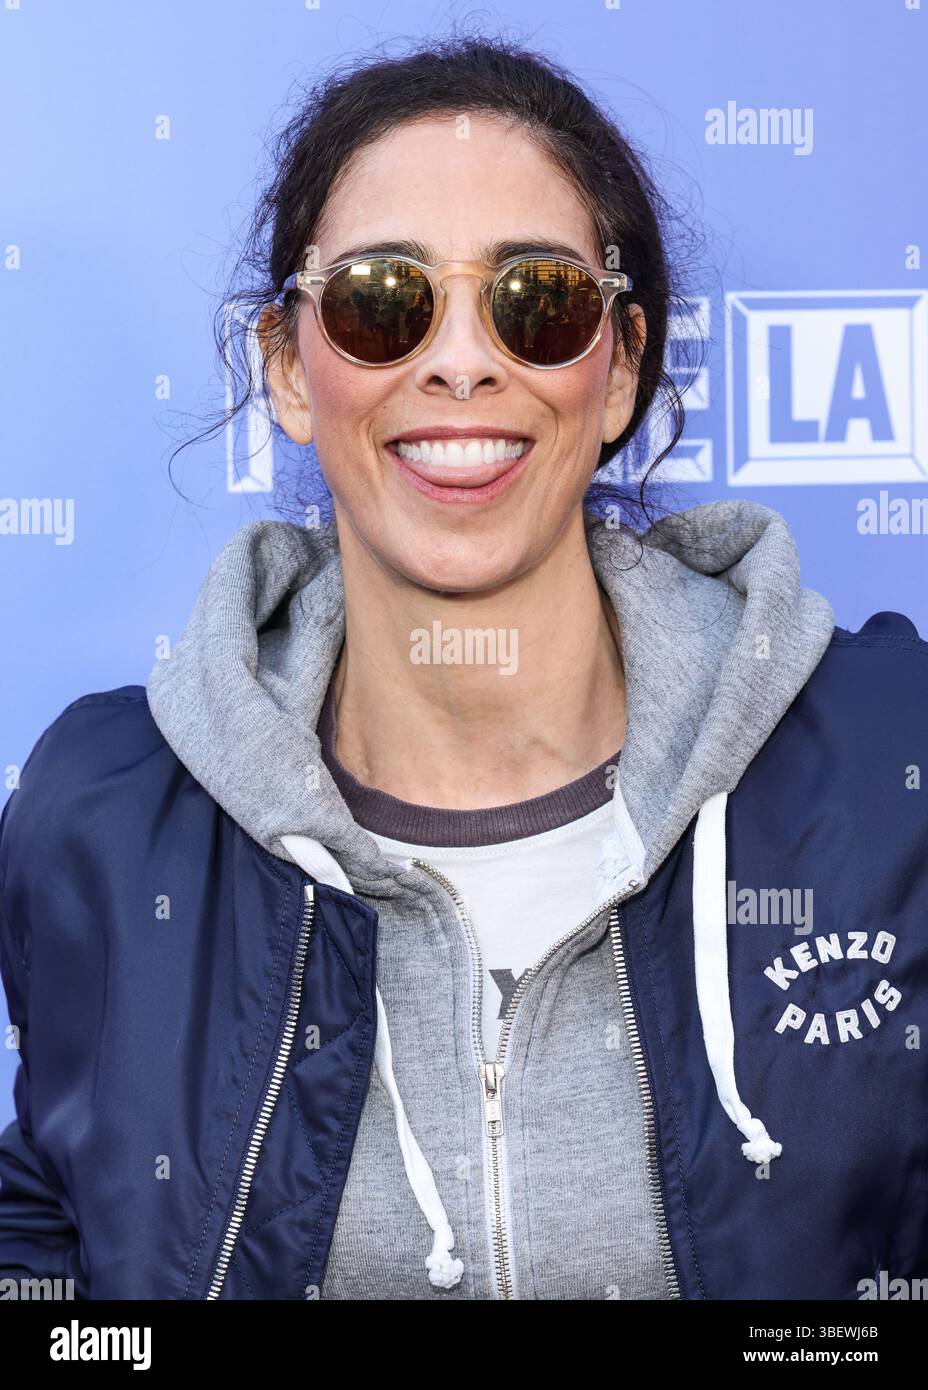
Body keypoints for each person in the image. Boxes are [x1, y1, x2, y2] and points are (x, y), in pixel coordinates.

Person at [1, 35, 926, 1303]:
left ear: (620, 368)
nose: (459, 359)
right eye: (384, 299)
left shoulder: (889, 769)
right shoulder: (103, 815)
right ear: (285, 365)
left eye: (535, 301)